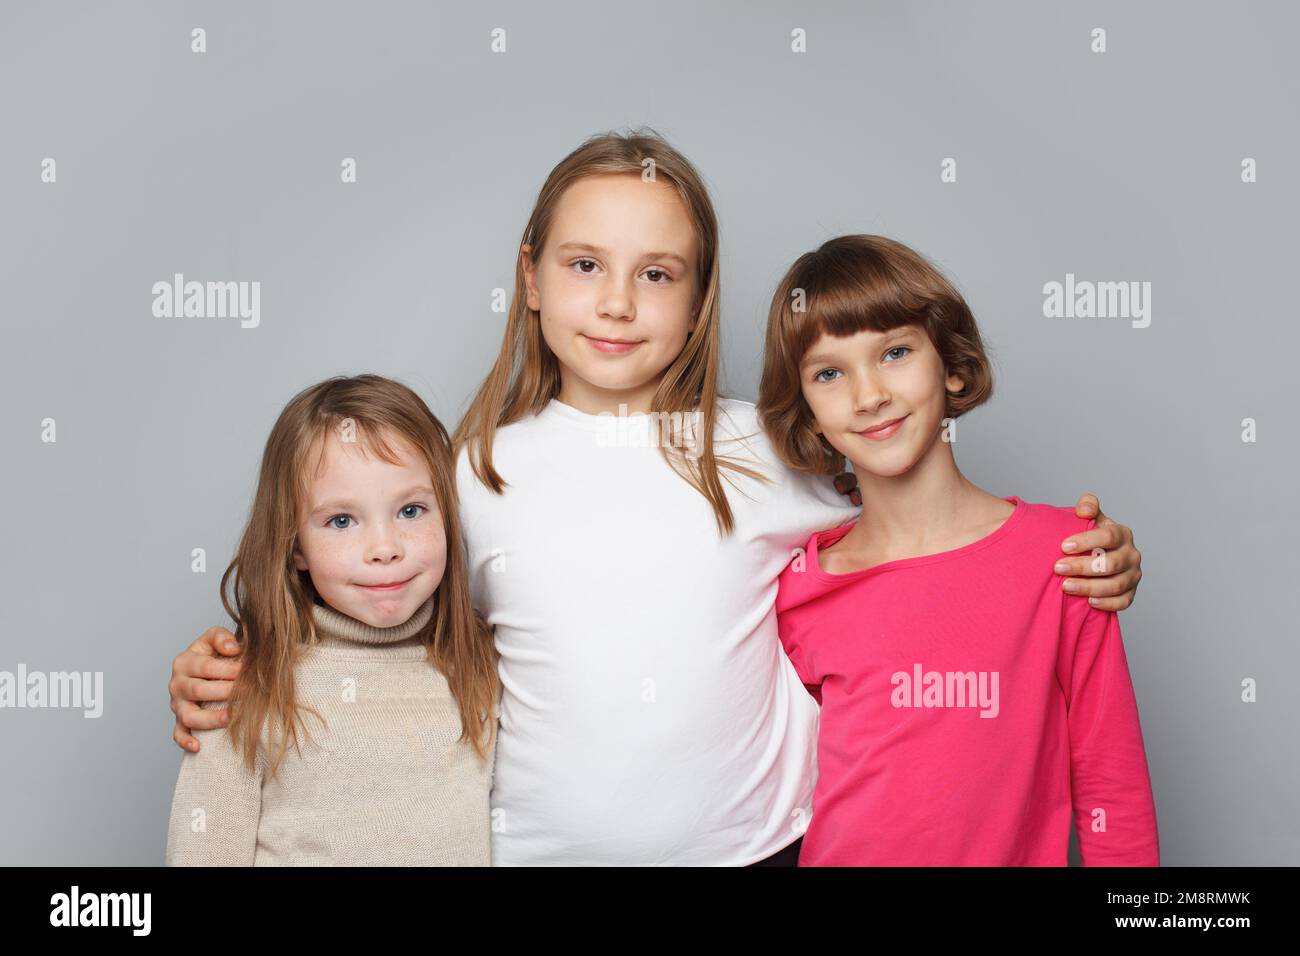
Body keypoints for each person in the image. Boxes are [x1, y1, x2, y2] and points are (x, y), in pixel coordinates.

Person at [166, 130, 1144, 866]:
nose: (619, 302)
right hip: (528, 853)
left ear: (698, 296)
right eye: (585, 265)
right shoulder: (470, 474)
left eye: (657, 274)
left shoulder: (771, 446)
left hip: (756, 852)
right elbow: (371, 602)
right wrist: (235, 658)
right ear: (533, 278)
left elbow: (925, 526)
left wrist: (1085, 552)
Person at [763, 235, 1159, 865]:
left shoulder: (1066, 559)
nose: (868, 396)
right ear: (809, 411)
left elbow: (1112, 783)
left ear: (949, 363)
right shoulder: (797, 586)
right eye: (829, 373)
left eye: (894, 352)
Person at [165, 374, 498, 865]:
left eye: (411, 510)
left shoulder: (484, 665)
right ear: (295, 545)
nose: (385, 549)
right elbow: (204, 850)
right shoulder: (242, 687)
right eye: (341, 521)